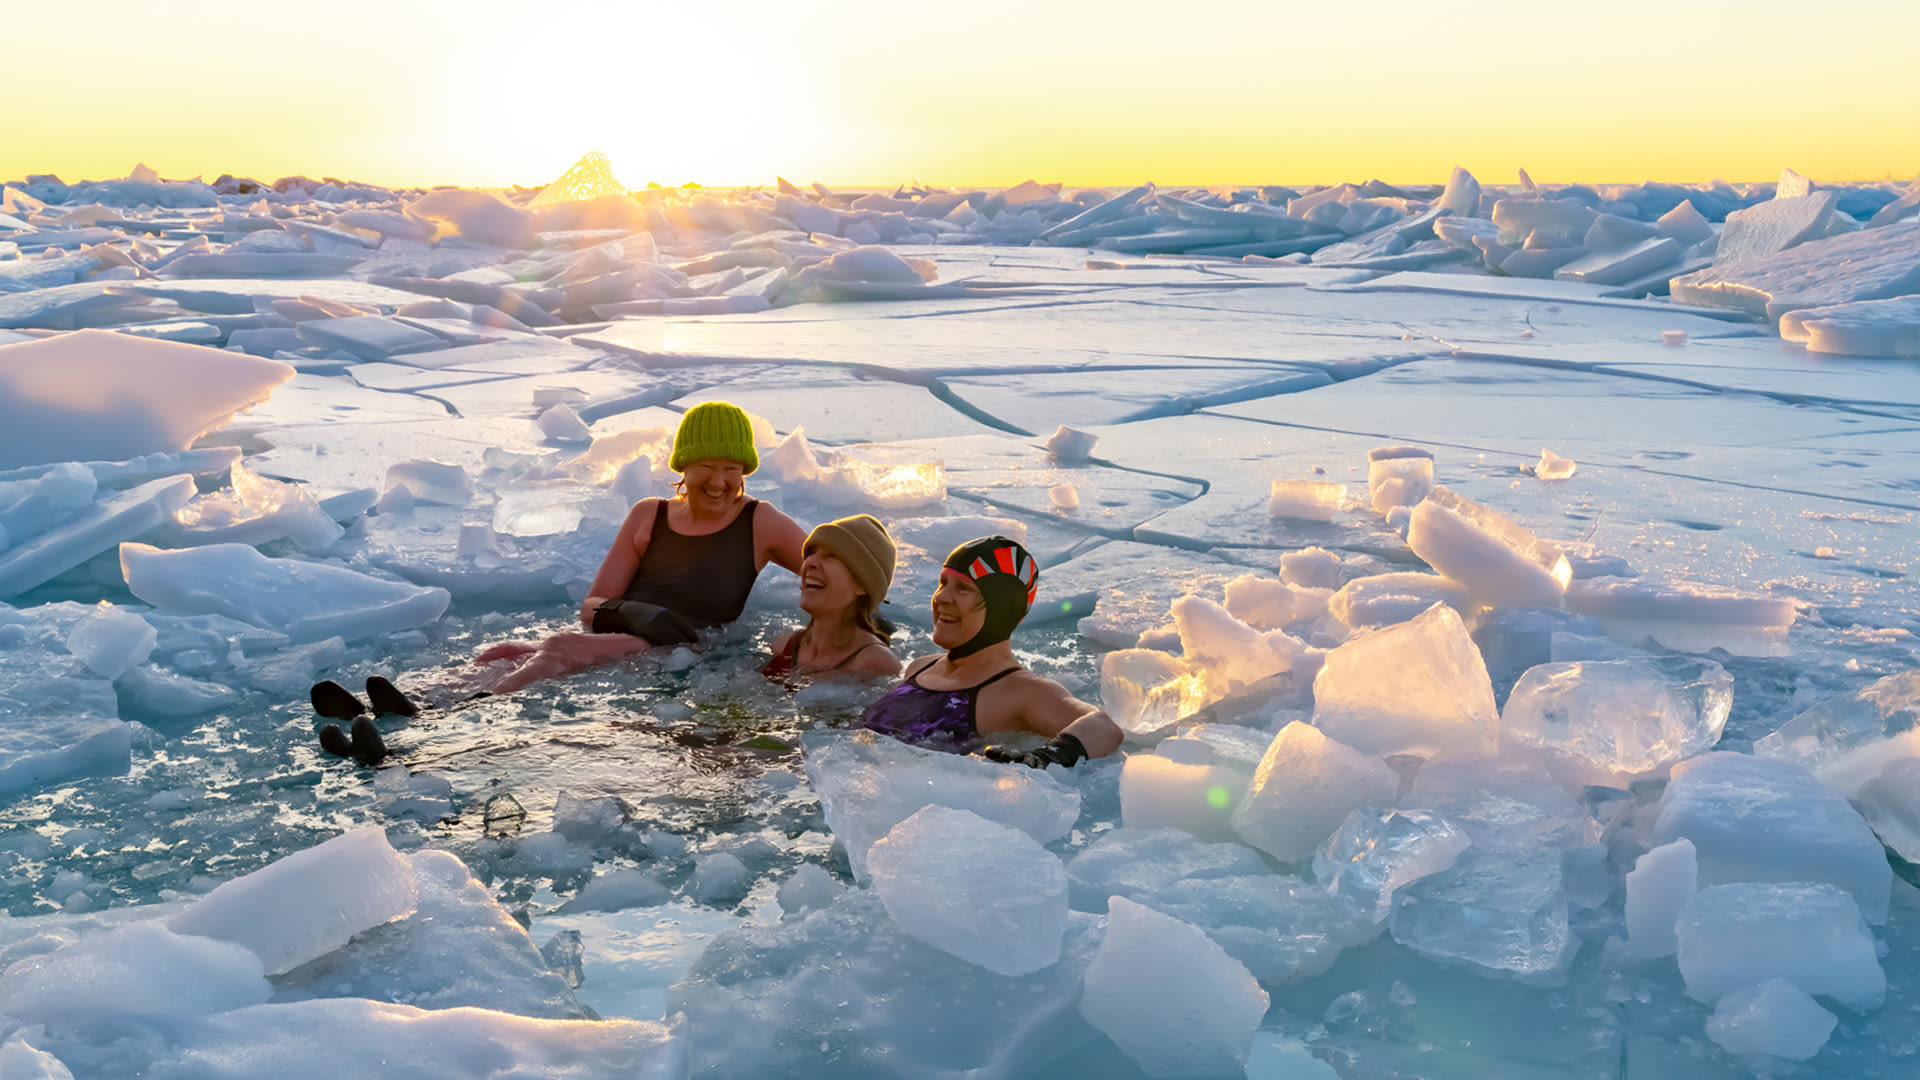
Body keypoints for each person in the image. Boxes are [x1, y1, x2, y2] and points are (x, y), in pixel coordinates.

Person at [311, 401, 807, 761]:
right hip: (627, 632)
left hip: (682, 649)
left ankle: (434, 726)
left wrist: (861, 619)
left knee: (557, 650)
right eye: (707, 468)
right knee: (499, 653)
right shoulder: (648, 515)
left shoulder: (760, 522)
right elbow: (592, 603)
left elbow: (828, 569)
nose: (720, 482)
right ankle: (400, 701)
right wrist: (633, 612)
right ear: (683, 466)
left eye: (732, 469)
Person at [858, 535, 1123, 767]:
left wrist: (1047, 757)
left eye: (962, 588)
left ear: (1000, 608)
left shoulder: (1019, 690)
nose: (941, 597)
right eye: (943, 583)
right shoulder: (921, 667)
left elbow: (1104, 727)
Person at [763, 514, 902, 687]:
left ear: (862, 584)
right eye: (811, 553)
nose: (811, 562)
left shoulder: (875, 664)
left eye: (831, 556)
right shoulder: (784, 647)